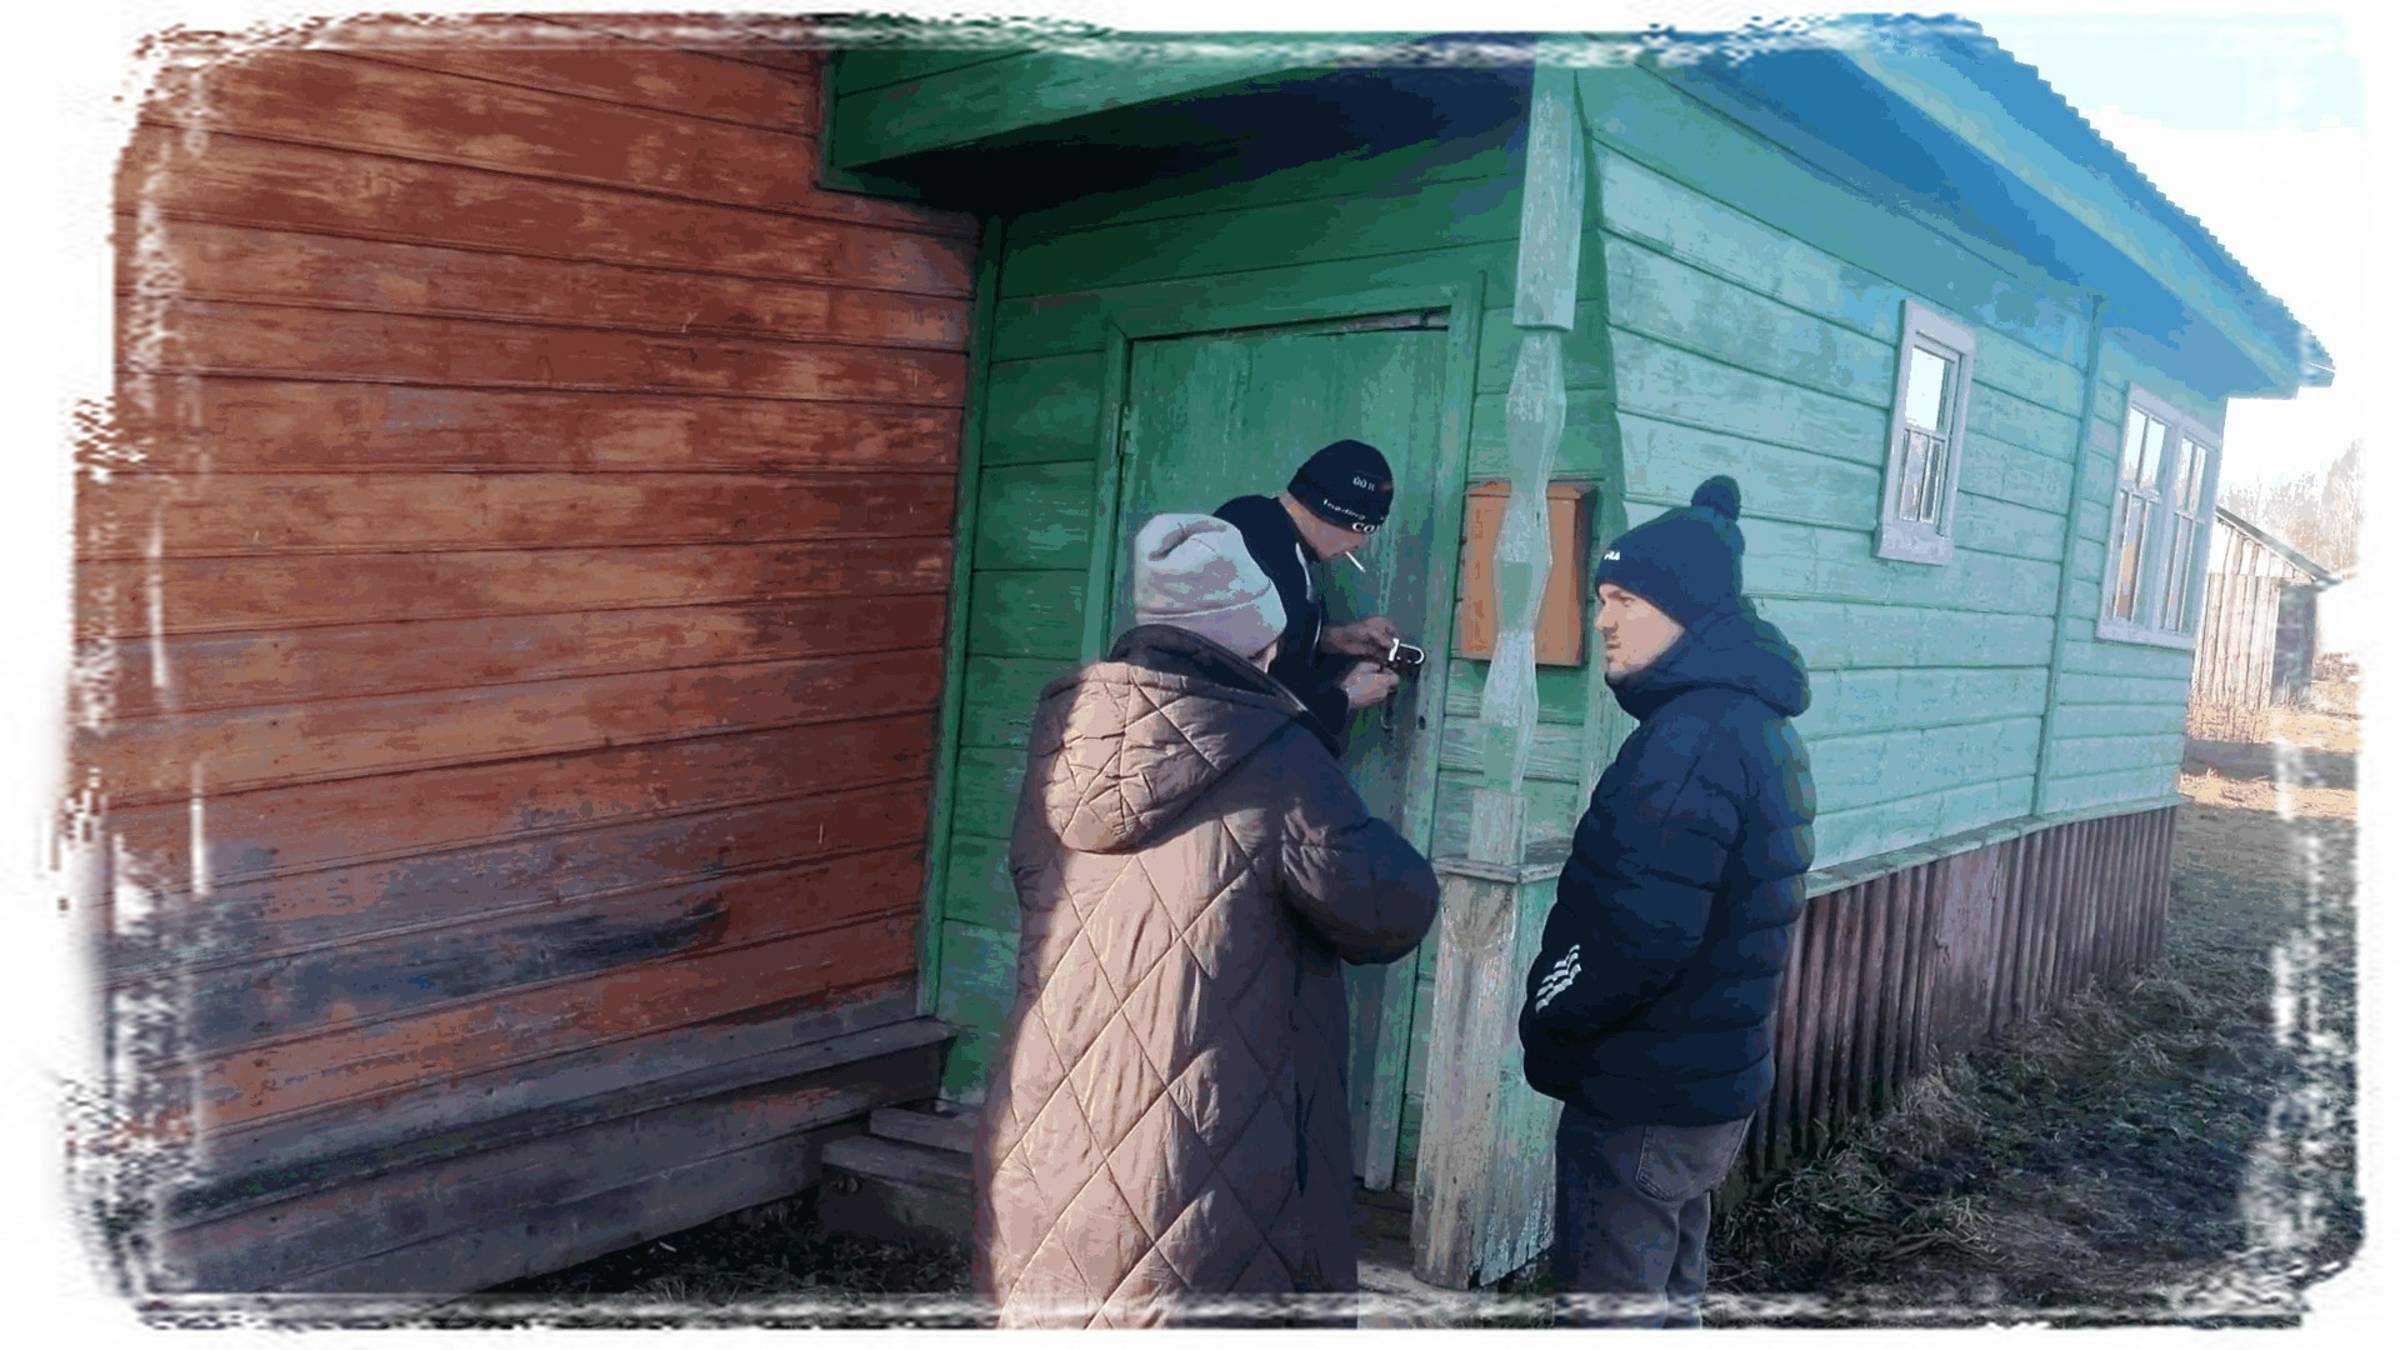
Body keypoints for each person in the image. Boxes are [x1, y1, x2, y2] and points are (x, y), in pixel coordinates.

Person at [972, 512, 1440, 1329]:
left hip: (1054, 1133)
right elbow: (1388, 910)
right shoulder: (1279, 756)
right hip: (1210, 1158)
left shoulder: (1065, 742)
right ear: (1251, 644)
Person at [1515, 475, 1816, 1329]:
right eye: (1602, 597)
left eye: (1625, 600)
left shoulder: (1690, 743)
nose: (1603, 618)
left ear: (1688, 613)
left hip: (1646, 1091)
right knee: (1668, 1300)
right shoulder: (1749, 722)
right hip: (1702, 1083)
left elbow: (1637, 935)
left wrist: (1548, 1008)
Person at [1213, 439, 1408, 757]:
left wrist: (1335, 639)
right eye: (1363, 530)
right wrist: (1345, 698)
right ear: (1338, 515)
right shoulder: (1255, 541)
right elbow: (1247, 686)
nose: (1360, 545)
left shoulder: (1259, 524)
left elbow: (1262, 633)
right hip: (1228, 755)